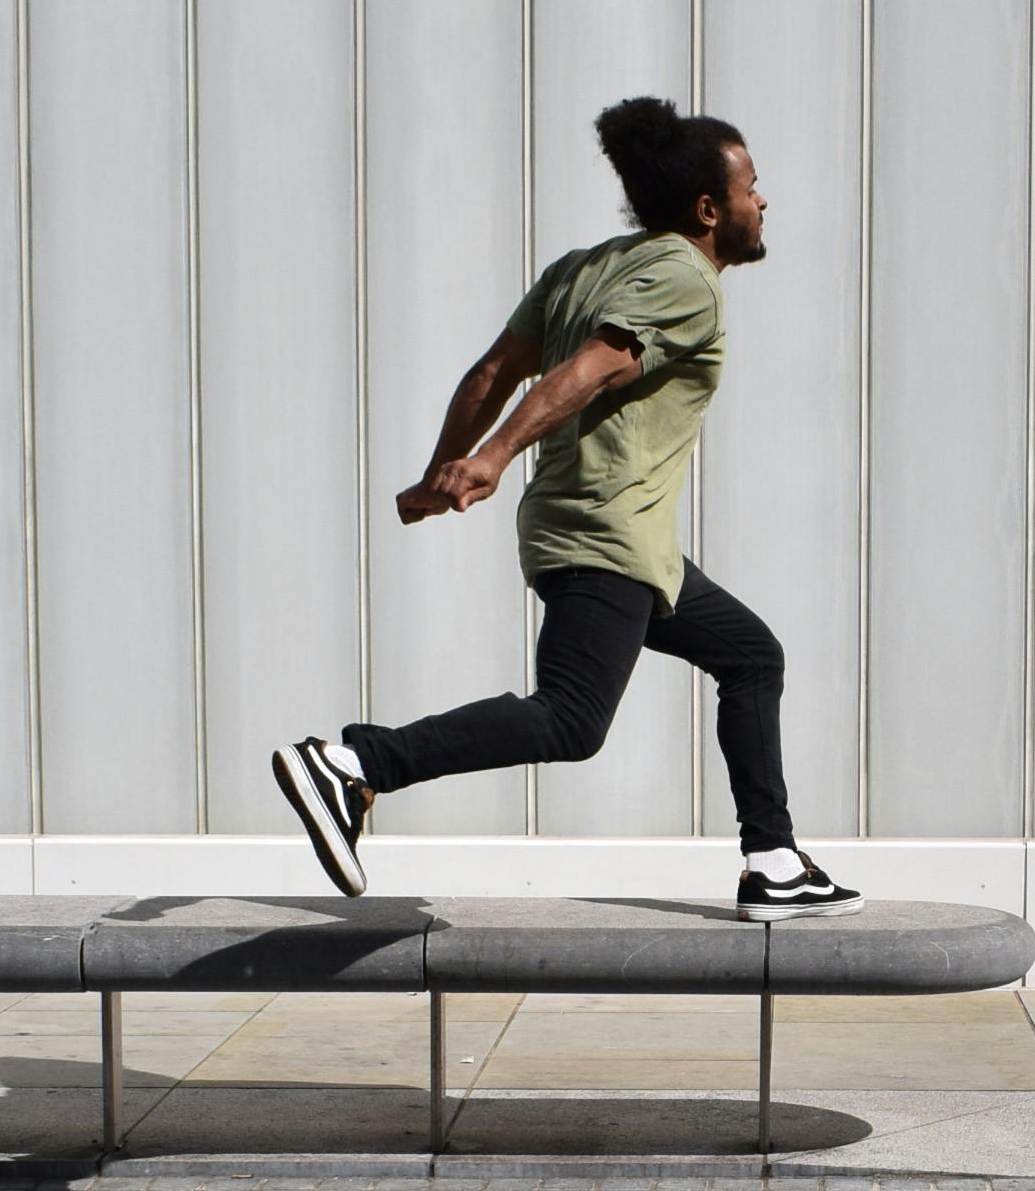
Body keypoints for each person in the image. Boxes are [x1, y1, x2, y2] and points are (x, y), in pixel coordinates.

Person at [272, 96, 859, 912]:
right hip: (604, 533)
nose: (763, 201)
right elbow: (591, 367)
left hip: (623, 539)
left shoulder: (584, 267)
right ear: (707, 208)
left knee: (751, 656)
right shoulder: (688, 278)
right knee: (572, 719)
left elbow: (491, 372)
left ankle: (774, 859)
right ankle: (357, 764)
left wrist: (444, 470)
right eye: (752, 186)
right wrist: (491, 459)